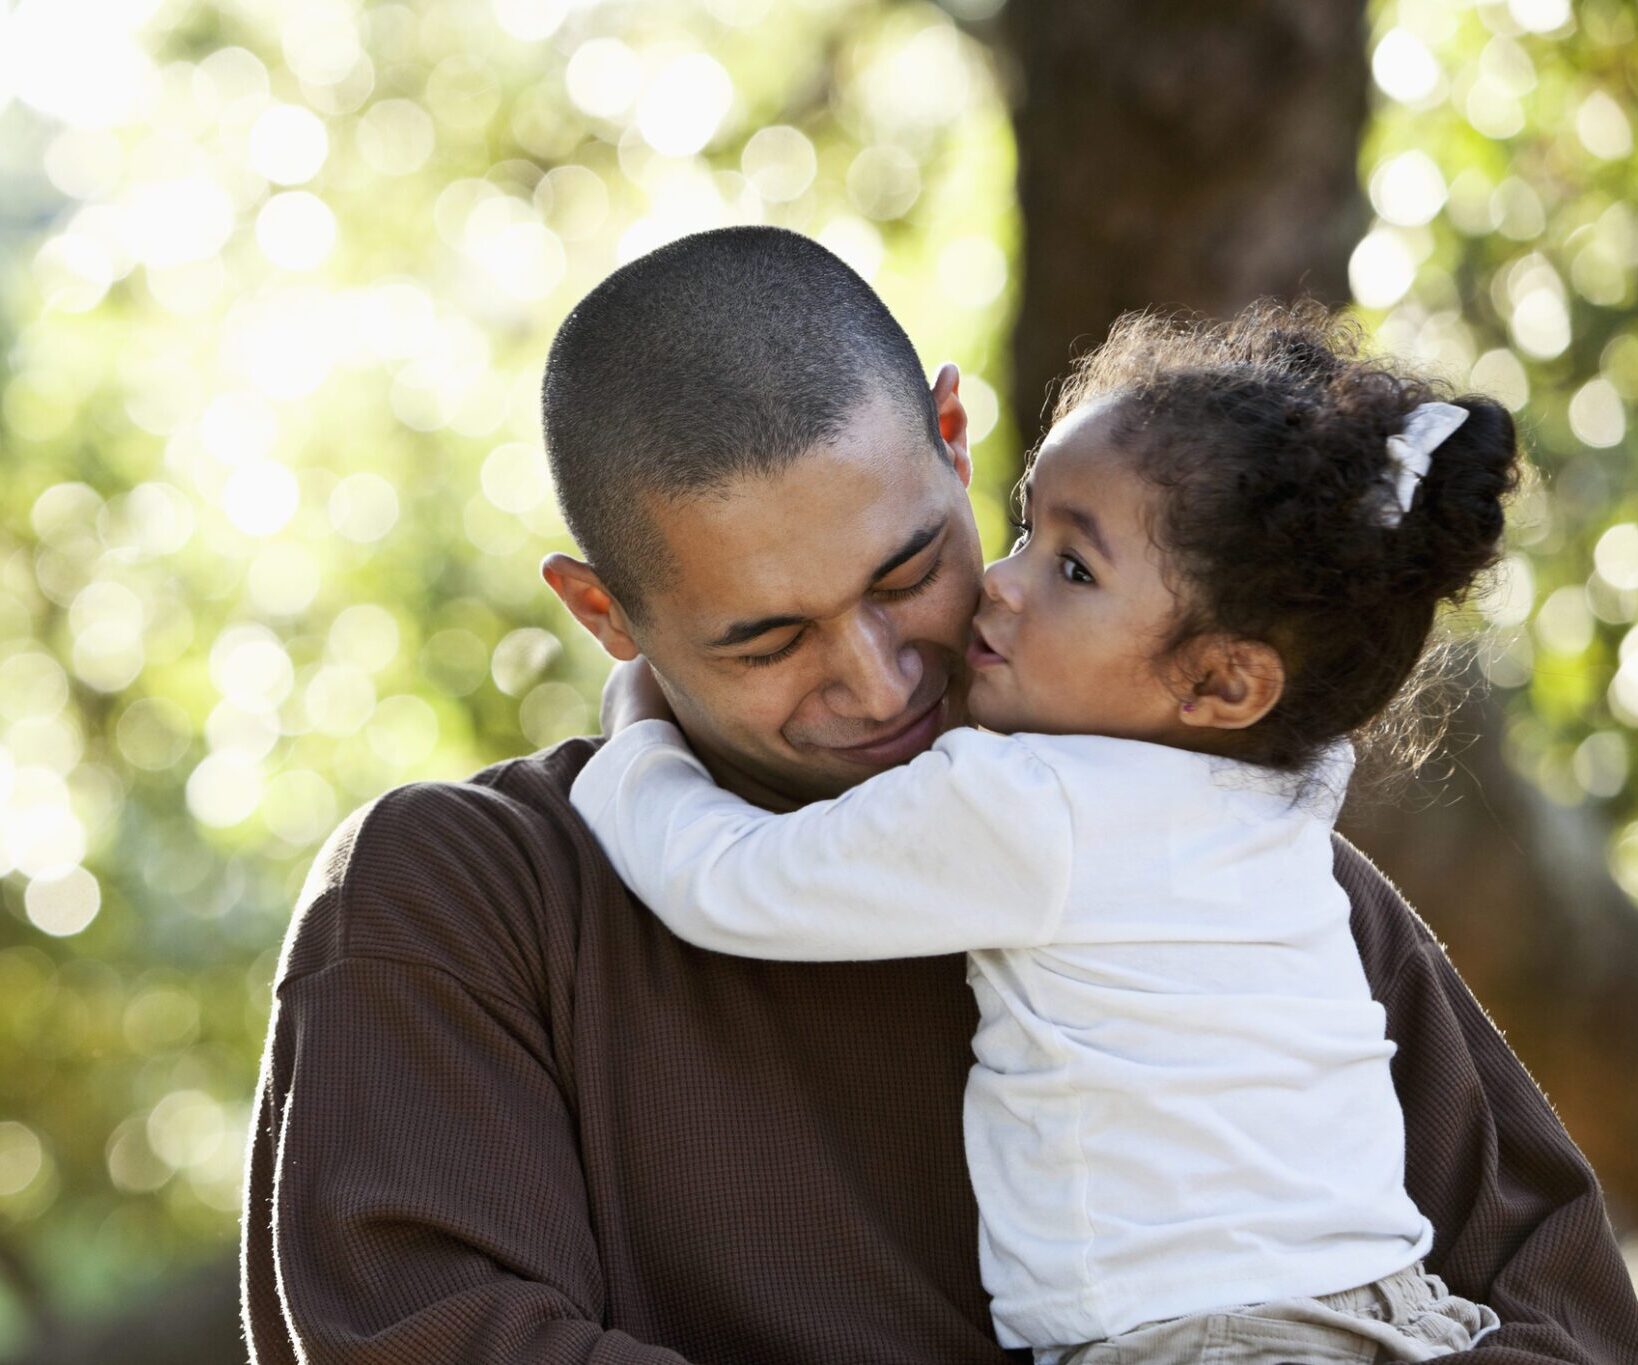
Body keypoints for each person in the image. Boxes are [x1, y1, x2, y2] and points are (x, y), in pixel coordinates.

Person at [240, 227, 1638, 1364]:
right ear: (606, 614)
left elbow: (1565, 1315)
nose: (878, 677)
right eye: (767, 640)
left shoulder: (1223, 848)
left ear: (957, 439)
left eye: (907, 571)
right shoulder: (464, 899)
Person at [565, 300, 1514, 1363]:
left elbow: (725, 882)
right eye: (1027, 530)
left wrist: (636, 730)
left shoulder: (1028, 803)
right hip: (1397, 1310)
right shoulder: (1281, 802)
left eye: (1072, 570)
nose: (1002, 587)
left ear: (1223, 680)